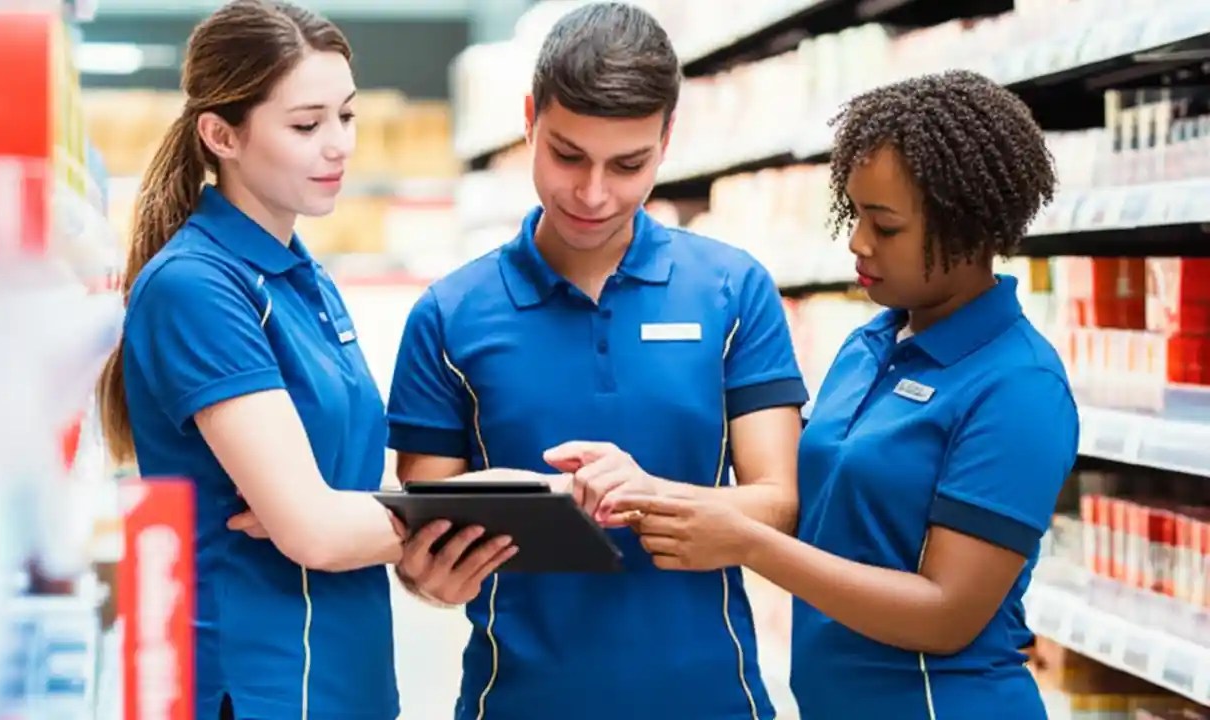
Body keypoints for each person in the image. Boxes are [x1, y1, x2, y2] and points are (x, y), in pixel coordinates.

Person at [95, 2, 522, 718]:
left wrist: (360, 517)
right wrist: (483, 502)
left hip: (343, 670)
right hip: (257, 681)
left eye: (346, 117)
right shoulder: (196, 287)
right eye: (305, 124)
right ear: (220, 134)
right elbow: (315, 531)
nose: (339, 146)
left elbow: (333, 508)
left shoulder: (302, 275)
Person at [385, 4, 808, 719]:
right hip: (517, 701)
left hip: (712, 700)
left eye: (628, 164)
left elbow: (778, 504)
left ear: (667, 140)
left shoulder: (734, 292)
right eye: (568, 154)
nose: (592, 193)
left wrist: (652, 496)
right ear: (529, 120)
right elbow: (428, 538)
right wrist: (429, 578)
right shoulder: (449, 316)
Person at [613, 70, 1077, 720]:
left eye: (884, 226)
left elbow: (947, 615)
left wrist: (748, 545)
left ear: (970, 230)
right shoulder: (869, 346)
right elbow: (830, 515)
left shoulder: (1019, 386)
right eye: (854, 212)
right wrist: (656, 492)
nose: (857, 241)